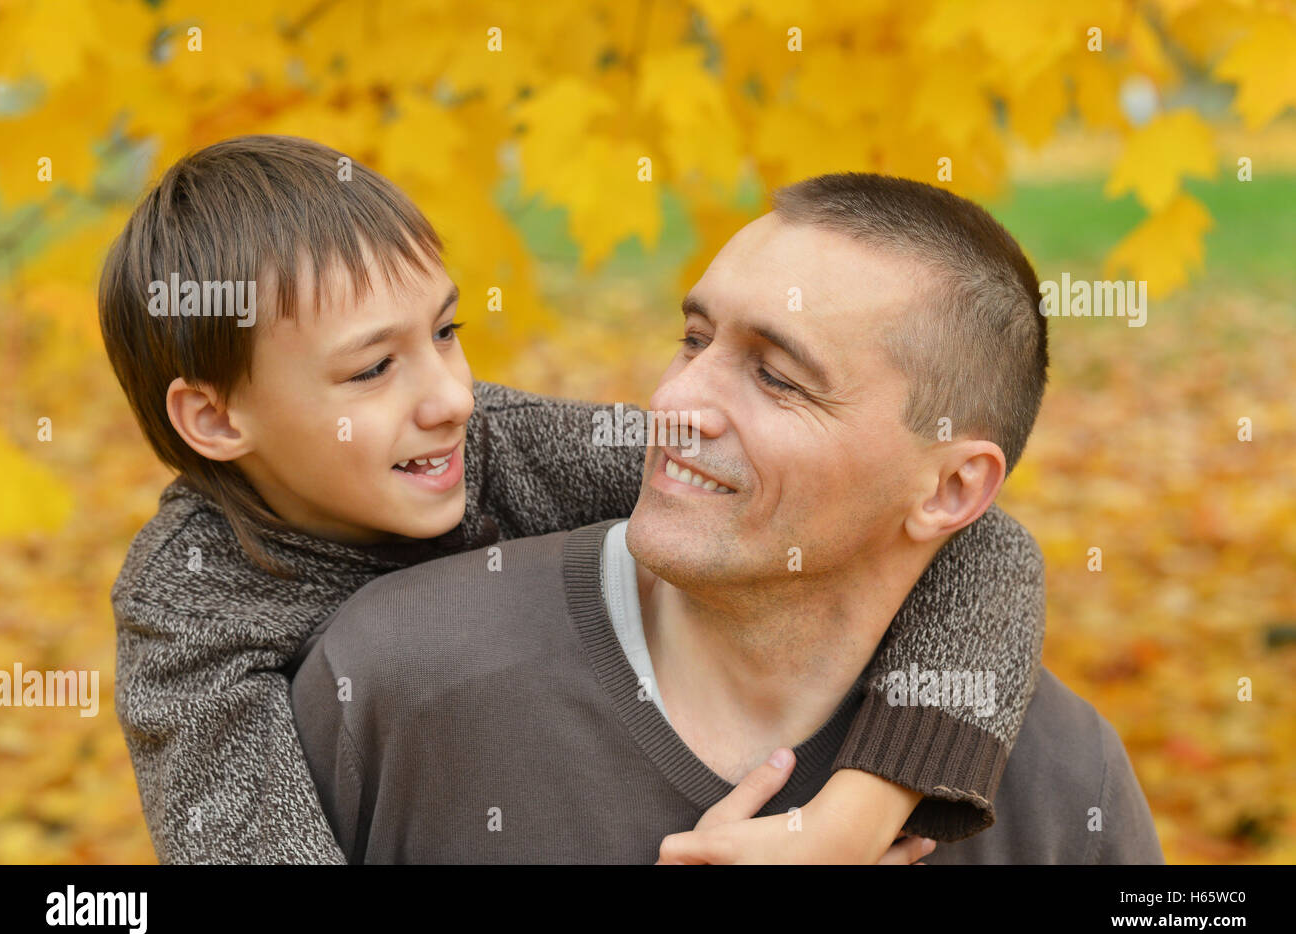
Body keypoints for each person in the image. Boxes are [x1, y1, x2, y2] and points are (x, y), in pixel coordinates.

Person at [101, 138, 1047, 864]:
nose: (451, 397)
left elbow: (979, 543)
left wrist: (854, 814)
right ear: (217, 420)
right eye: (375, 367)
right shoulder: (191, 610)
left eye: (447, 332)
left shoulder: (494, 446)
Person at [289, 173, 1163, 864]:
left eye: (778, 378)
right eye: (695, 340)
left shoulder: (1062, 784)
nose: (674, 402)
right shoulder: (393, 681)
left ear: (950, 492)